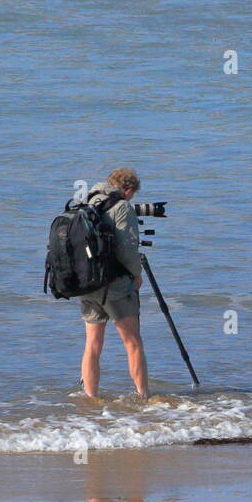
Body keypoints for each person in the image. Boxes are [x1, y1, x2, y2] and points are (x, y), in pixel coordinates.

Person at [79, 168, 149, 399]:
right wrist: (137, 275)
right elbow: (127, 249)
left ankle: (90, 398)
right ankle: (143, 396)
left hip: (87, 282)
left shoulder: (87, 201)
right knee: (133, 343)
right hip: (115, 284)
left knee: (92, 344)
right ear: (127, 190)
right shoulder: (122, 207)